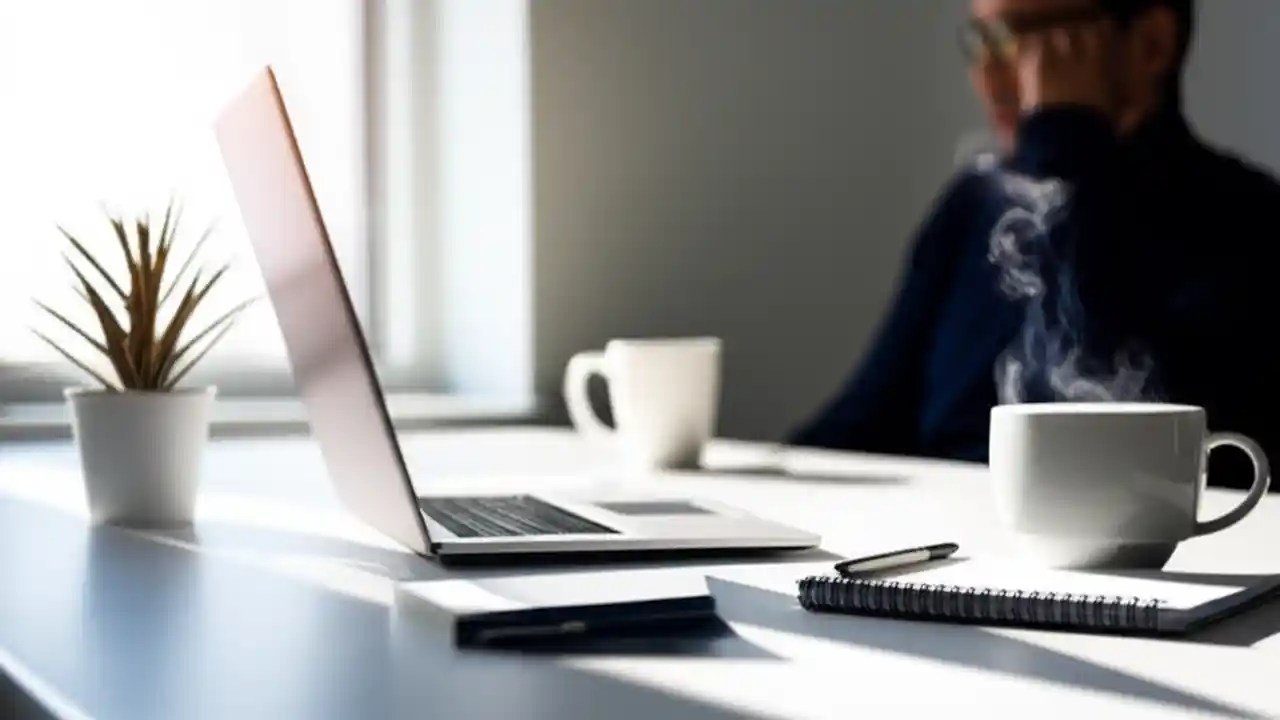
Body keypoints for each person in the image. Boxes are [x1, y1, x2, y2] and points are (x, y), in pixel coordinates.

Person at [790, 0, 1280, 489]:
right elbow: (864, 419)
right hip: (944, 544)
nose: (987, 74)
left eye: (1014, 39)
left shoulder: (1249, 219)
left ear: (1151, 44)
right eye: (981, 40)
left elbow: (1121, 428)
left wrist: (1067, 147)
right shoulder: (973, 205)